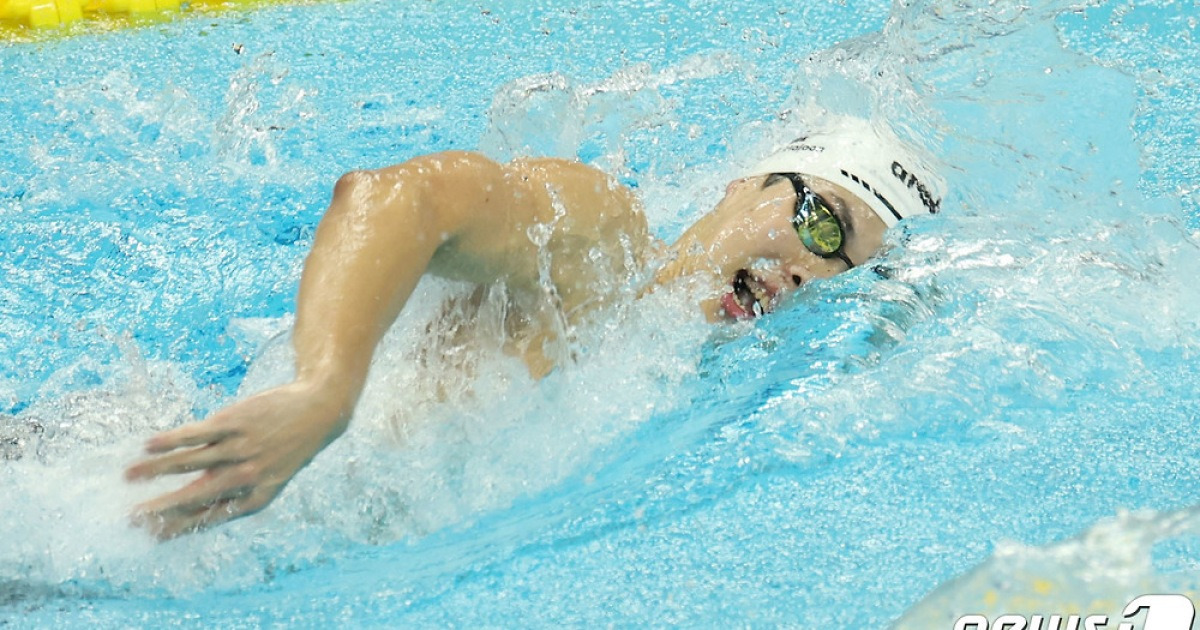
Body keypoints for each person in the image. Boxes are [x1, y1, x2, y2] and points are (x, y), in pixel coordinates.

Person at [124, 114, 945, 539]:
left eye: (847, 268)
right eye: (824, 223)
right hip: (136, 480)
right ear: (745, 183)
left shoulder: (664, 390)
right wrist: (325, 387)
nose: (811, 269)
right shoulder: (598, 244)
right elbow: (392, 197)